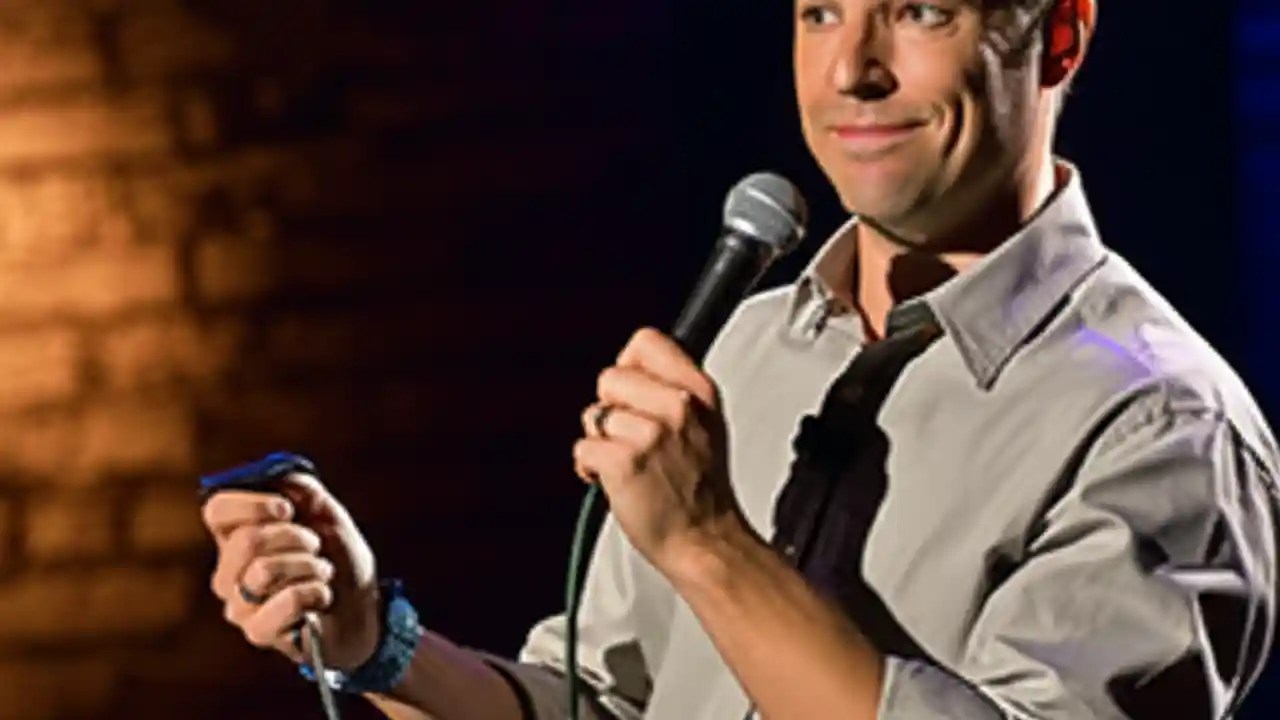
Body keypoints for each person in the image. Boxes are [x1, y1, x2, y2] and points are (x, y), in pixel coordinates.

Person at [201, 1, 1280, 718]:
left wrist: (710, 545)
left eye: (916, 11)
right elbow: (602, 702)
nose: (851, 70)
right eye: (819, 11)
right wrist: (369, 641)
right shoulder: (753, 343)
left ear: (1058, 38)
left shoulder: (1160, 424)